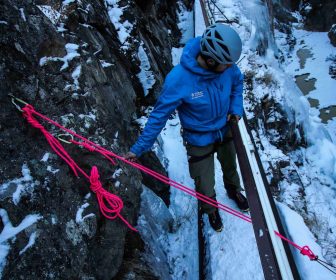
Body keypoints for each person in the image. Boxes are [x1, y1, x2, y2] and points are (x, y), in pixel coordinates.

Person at [125, 23, 249, 232]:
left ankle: (233, 190)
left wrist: (236, 108)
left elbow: (237, 81)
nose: (230, 67)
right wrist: (138, 148)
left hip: (224, 129)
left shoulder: (227, 67)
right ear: (210, 60)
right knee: (204, 181)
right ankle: (211, 210)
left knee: (230, 166)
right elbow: (158, 116)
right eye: (226, 64)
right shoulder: (179, 79)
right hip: (198, 138)